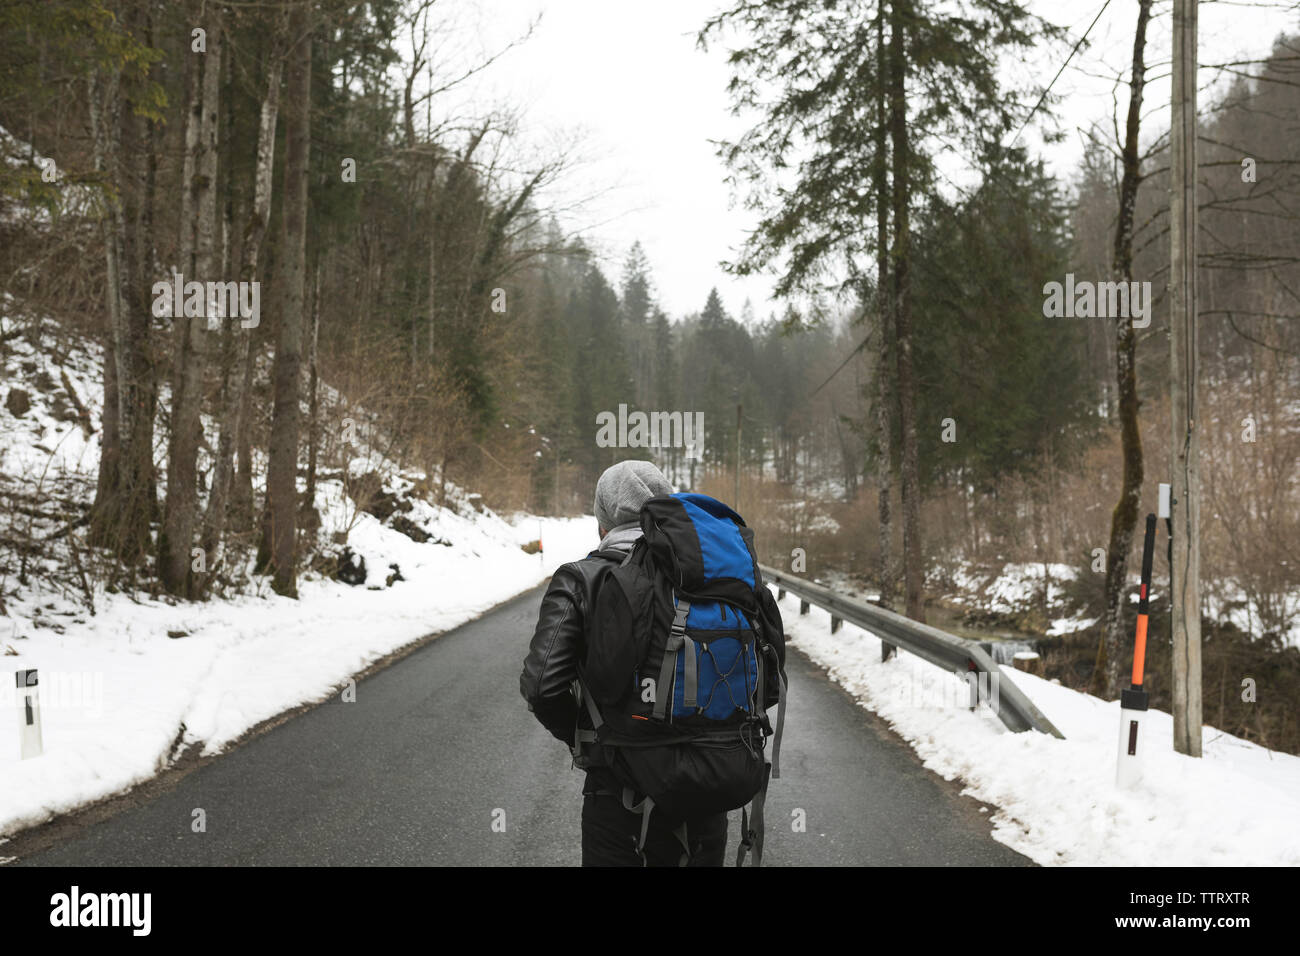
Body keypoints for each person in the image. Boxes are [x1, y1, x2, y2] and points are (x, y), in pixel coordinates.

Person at [519, 460, 731, 866]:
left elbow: (543, 686)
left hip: (618, 802)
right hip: (708, 795)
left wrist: (594, 740)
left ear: (602, 521)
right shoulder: (711, 574)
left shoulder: (582, 578)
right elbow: (767, 681)